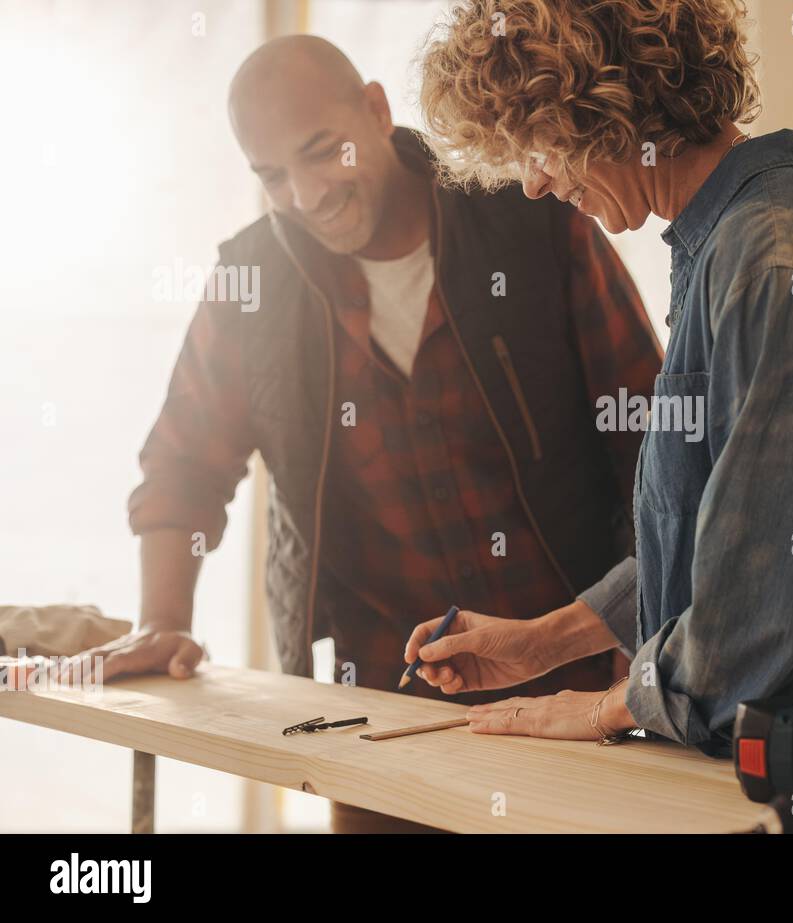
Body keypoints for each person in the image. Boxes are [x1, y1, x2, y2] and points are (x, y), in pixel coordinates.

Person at [65, 35, 662, 832]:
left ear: (377, 111)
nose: (306, 195)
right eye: (272, 176)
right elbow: (181, 466)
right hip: (378, 718)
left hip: (577, 695)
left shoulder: (530, 217)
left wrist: (644, 648)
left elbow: (654, 441)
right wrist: (165, 620)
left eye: (322, 153)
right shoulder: (249, 287)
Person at [408, 0, 793, 759]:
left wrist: (600, 708)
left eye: (536, 144)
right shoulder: (731, 246)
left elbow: (762, 609)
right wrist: (541, 642)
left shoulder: (775, 265)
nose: (533, 183)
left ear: (604, 105)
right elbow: (718, 534)